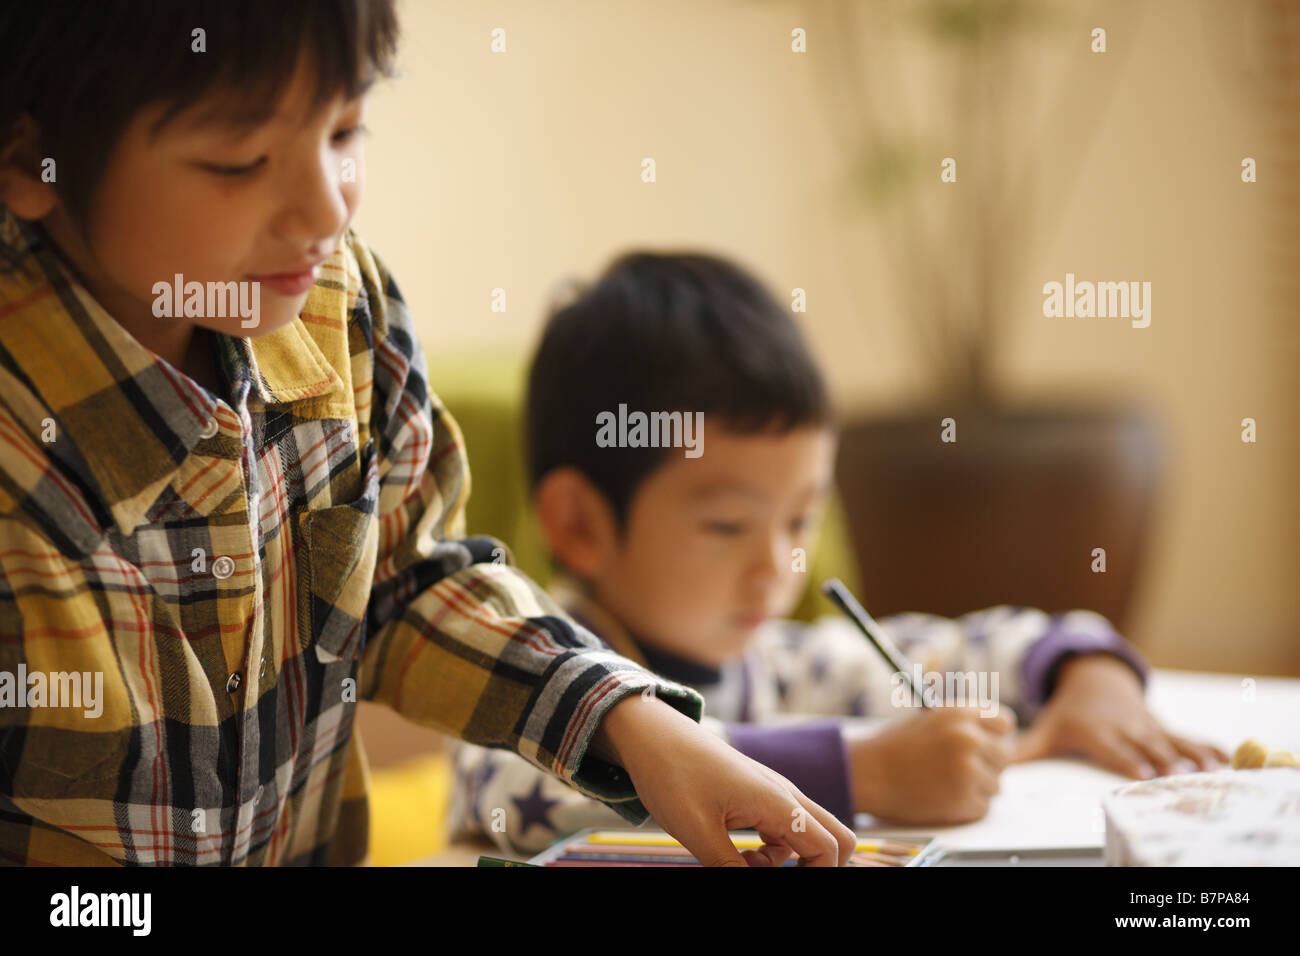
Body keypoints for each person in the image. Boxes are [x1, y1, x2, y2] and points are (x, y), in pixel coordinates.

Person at [0, 2, 855, 867]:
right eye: (240, 160)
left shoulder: (340, 304)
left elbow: (404, 581)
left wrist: (632, 723)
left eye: (344, 131)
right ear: (30, 158)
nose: (323, 211)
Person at [449, 251, 1229, 854]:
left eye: (801, 521)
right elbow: (511, 784)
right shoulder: (528, 674)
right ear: (581, 525)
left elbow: (959, 646)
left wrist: (1085, 674)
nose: (778, 567)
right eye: (727, 526)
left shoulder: (776, 662)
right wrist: (870, 772)